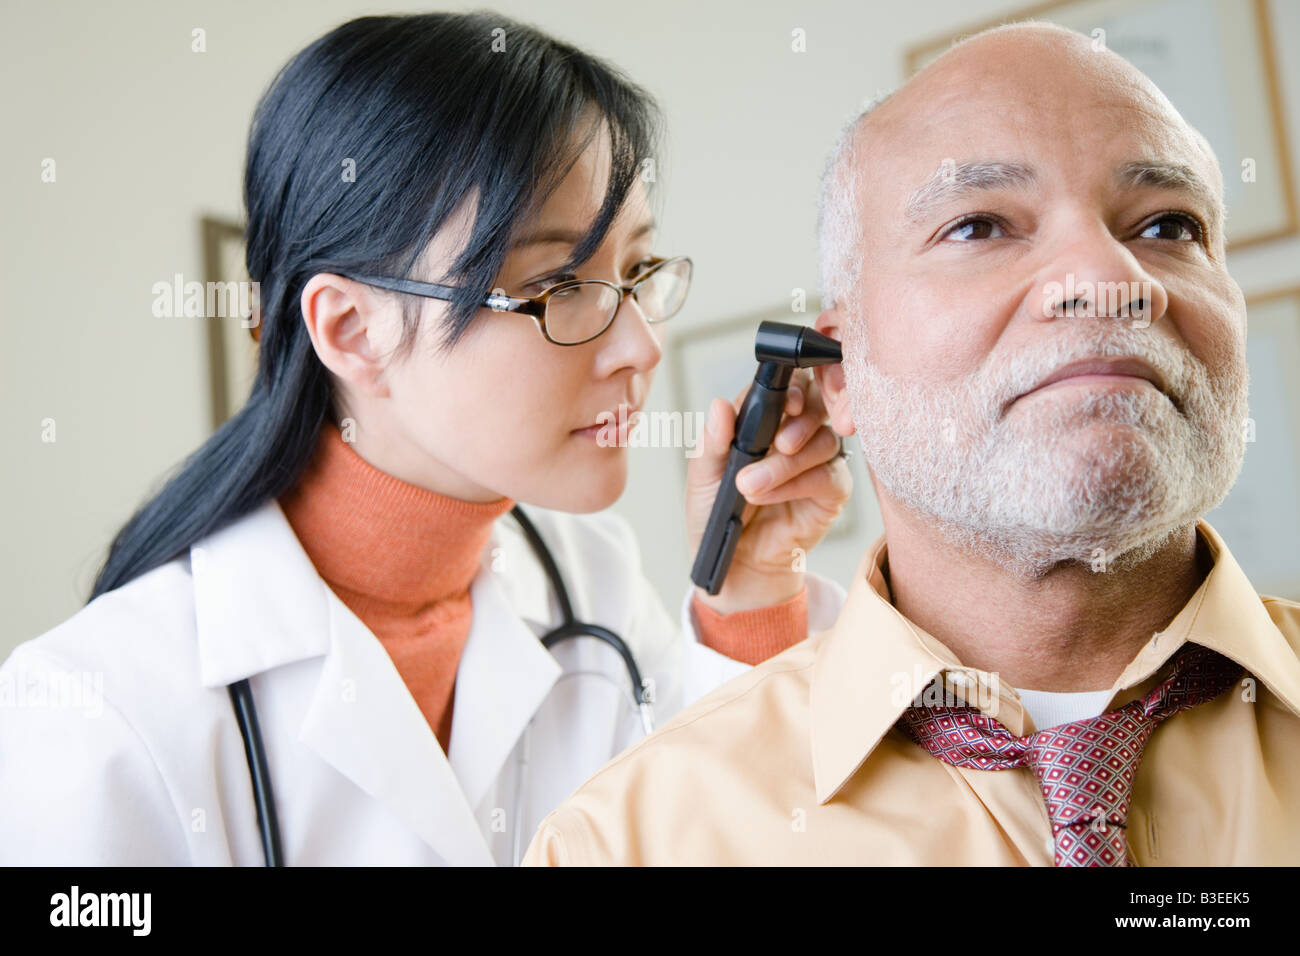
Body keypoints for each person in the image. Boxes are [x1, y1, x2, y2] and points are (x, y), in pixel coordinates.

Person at [0, 11, 851, 866]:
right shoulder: (94, 708)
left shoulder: (597, 592)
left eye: (634, 274)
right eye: (558, 284)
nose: (640, 347)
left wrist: (750, 594)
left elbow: (752, 839)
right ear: (353, 330)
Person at [523, 21, 1300, 867]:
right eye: (979, 227)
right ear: (841, 375)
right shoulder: (628, 844)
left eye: (1169, 226)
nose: (1109, 281)